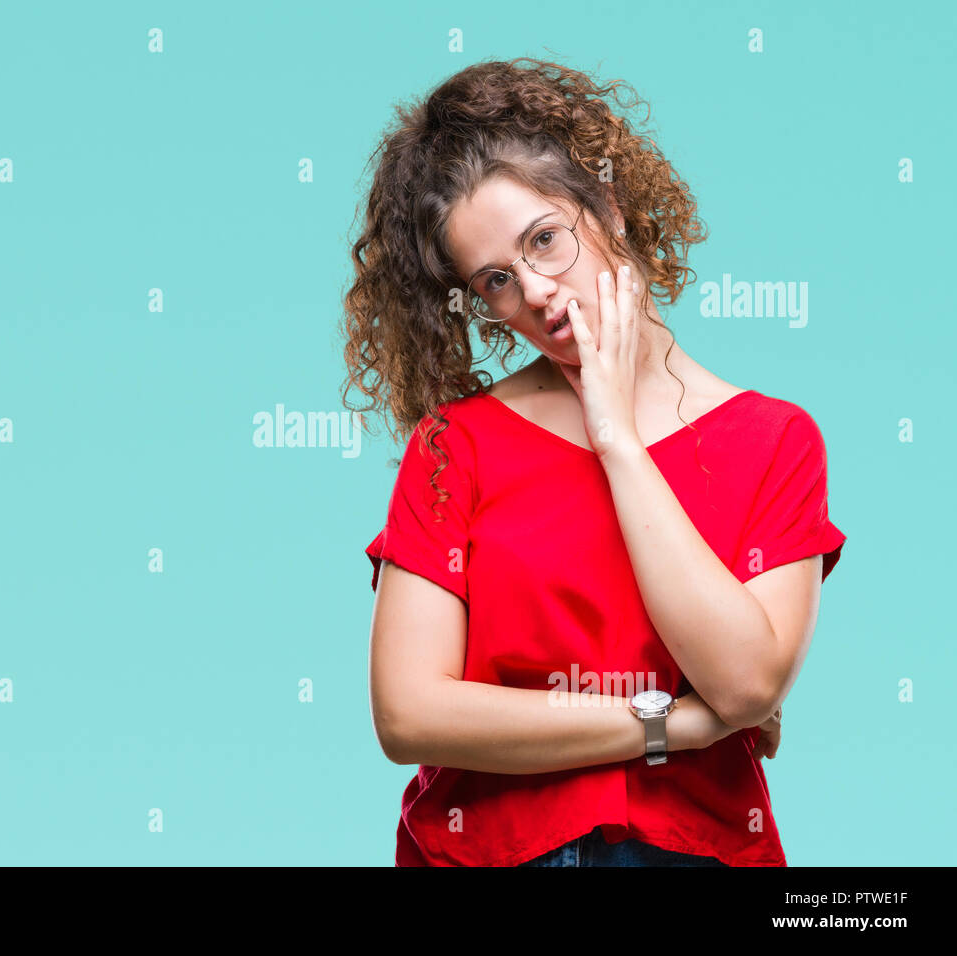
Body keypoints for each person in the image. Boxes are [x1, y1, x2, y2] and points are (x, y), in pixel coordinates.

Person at [341, 57, 846, 867]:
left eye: (546, 239)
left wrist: (615, 435)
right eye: (498, 280)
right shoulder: (455, 446)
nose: (536, 292)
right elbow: (407, 714)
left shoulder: (772, 438)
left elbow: (747, 684)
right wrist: (667, 724)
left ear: (606, 204)